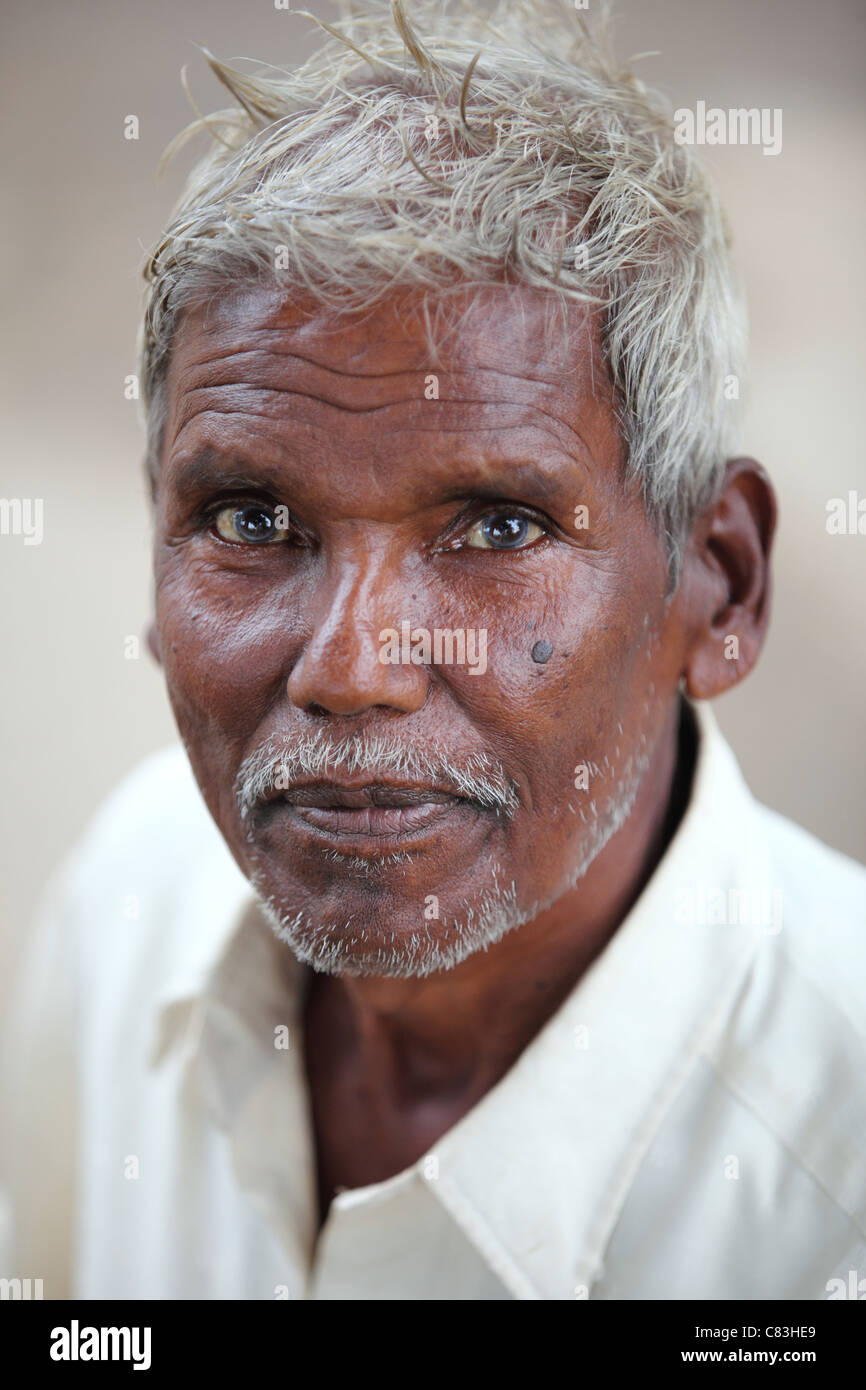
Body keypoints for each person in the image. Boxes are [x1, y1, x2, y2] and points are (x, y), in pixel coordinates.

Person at [2, 0, 864, 1301]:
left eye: (494, 524)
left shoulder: (829, 1188)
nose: (350, 667)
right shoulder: (129, 917)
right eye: (250, 519)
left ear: (718, 584)